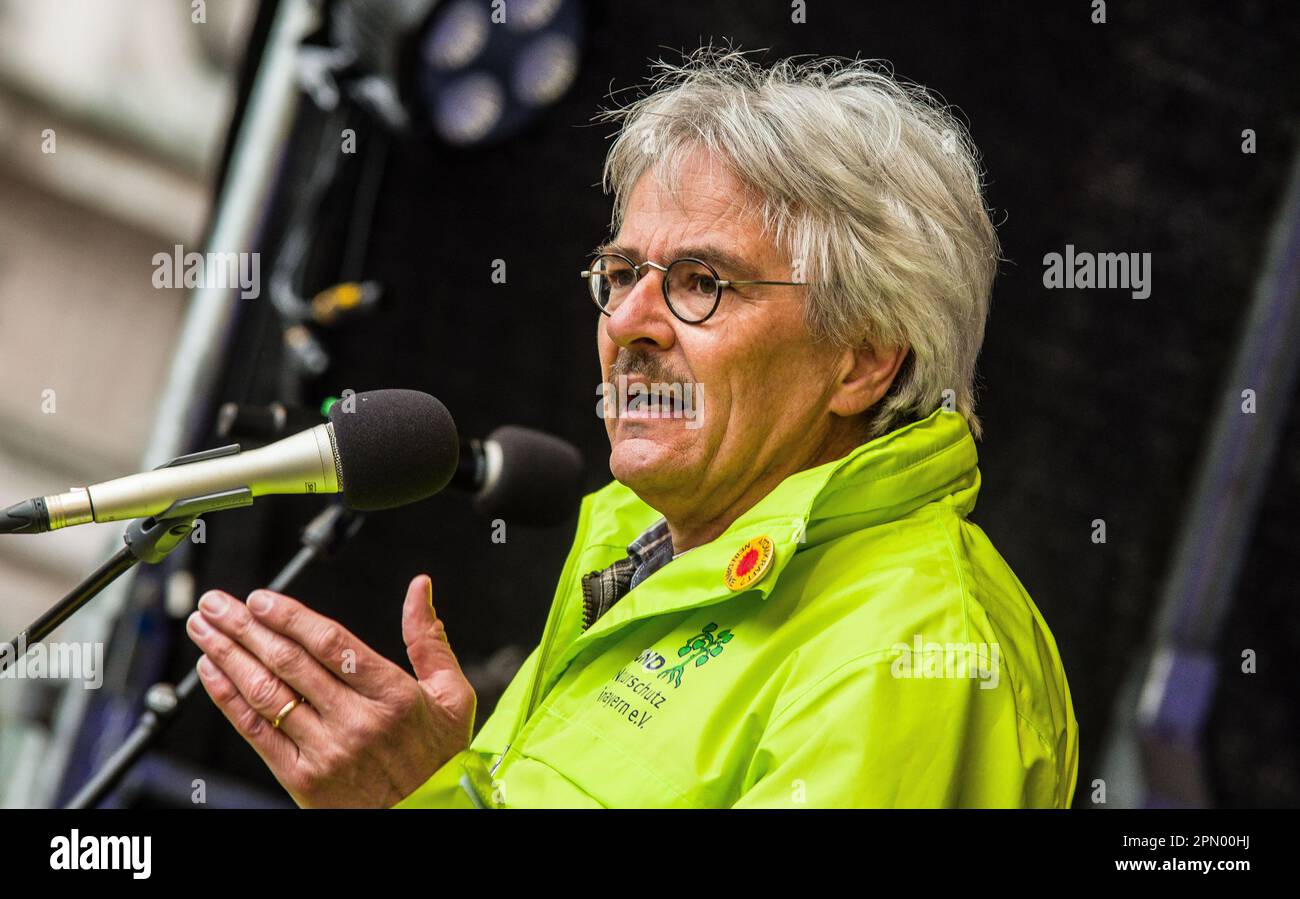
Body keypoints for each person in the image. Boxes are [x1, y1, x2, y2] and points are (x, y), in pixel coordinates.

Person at [186, 49, 1078, 808]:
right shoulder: (638, 544)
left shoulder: (915, 653)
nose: (628, 321)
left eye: (700, 282)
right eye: (621, 272)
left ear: (862, 360)